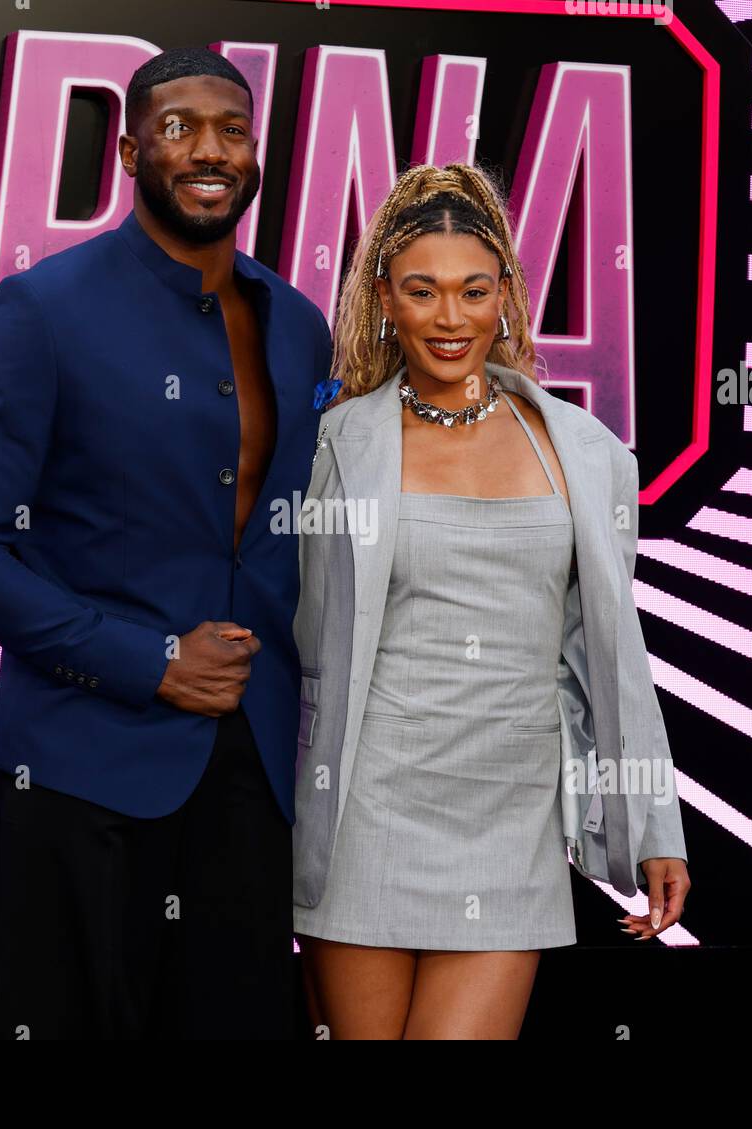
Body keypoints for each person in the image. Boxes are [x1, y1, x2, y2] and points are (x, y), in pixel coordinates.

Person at [0, 47, 332, 1039]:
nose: (209, 149)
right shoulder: (46, 310)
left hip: (257, 780)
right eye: (179, 125)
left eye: (232, 129)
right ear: (129, 149)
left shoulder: (300, 326)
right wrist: (148, 662)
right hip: (80, 772)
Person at [291, 162, 691, 1039]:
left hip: (511, 821)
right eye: (422, 291)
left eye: (474, 291)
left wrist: (655, 820)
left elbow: (613, 655)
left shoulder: (586, 453)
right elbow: (305, 645)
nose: (449, 318)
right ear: (385, 300)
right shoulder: (336, 445)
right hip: (367, 810)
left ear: (506, 292)